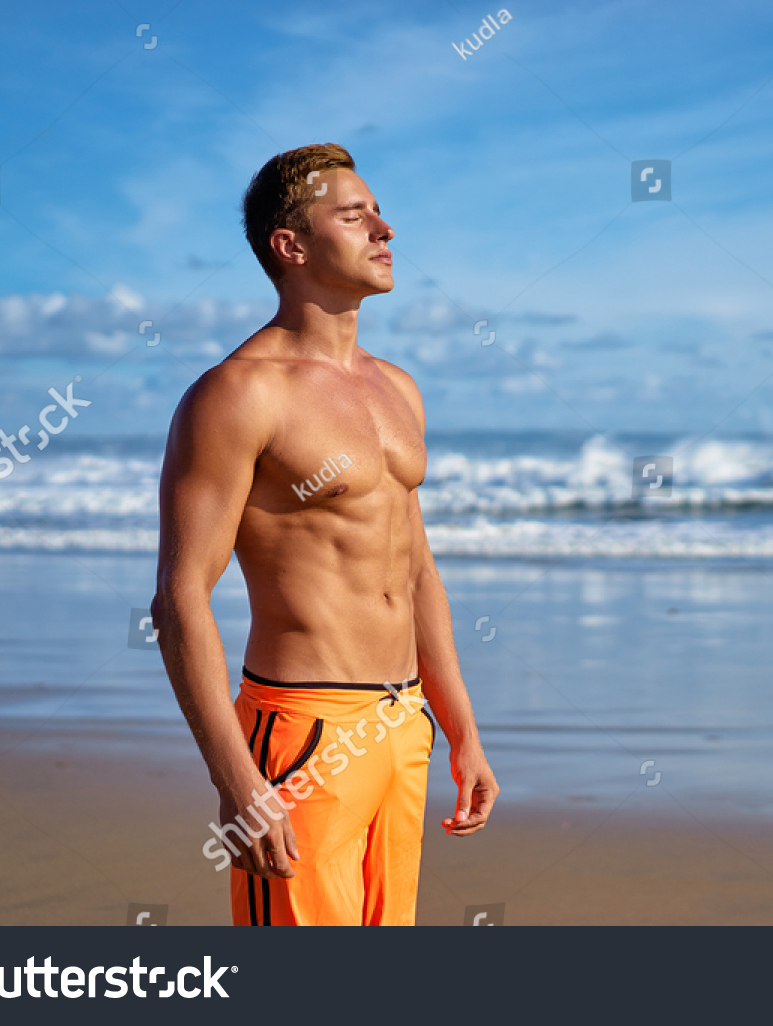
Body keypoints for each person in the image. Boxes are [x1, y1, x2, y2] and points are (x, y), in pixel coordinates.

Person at [151, 143, 497, 926]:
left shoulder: (396, 387)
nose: (386, 229)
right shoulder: (235, 396)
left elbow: (415, 575)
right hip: (303, 732)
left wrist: (461, 732)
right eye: (355, 215)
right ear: (292, 246)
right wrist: (235, 781)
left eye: (377, 211)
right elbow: (180, 601)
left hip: (402, 725)